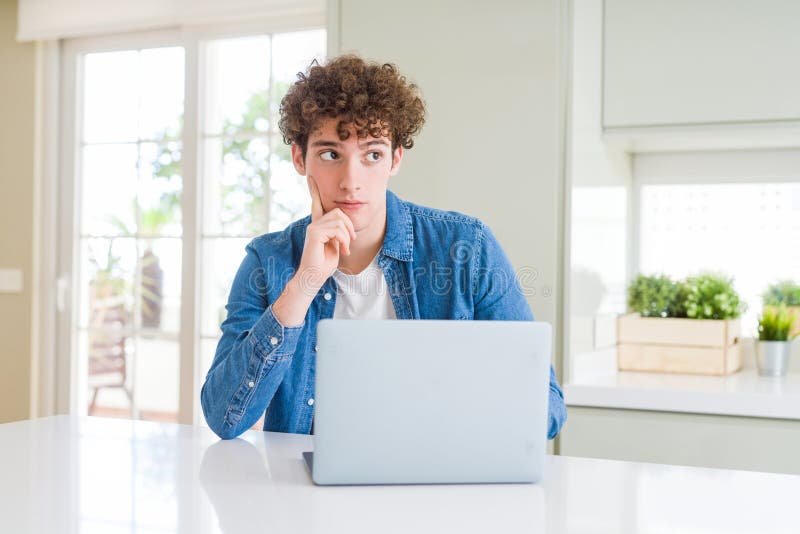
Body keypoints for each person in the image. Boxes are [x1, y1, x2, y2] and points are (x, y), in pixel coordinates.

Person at [201, 54, 566, 440]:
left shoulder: (467, 248)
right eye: (330, 154)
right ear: (299, 158)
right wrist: (303, 285)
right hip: (306, 494)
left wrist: (459, 419)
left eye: (372, 155)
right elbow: (224, 418)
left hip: (436, 486)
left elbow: (546, 402)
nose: (351, 181)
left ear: (395, 159)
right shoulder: (267, 260)